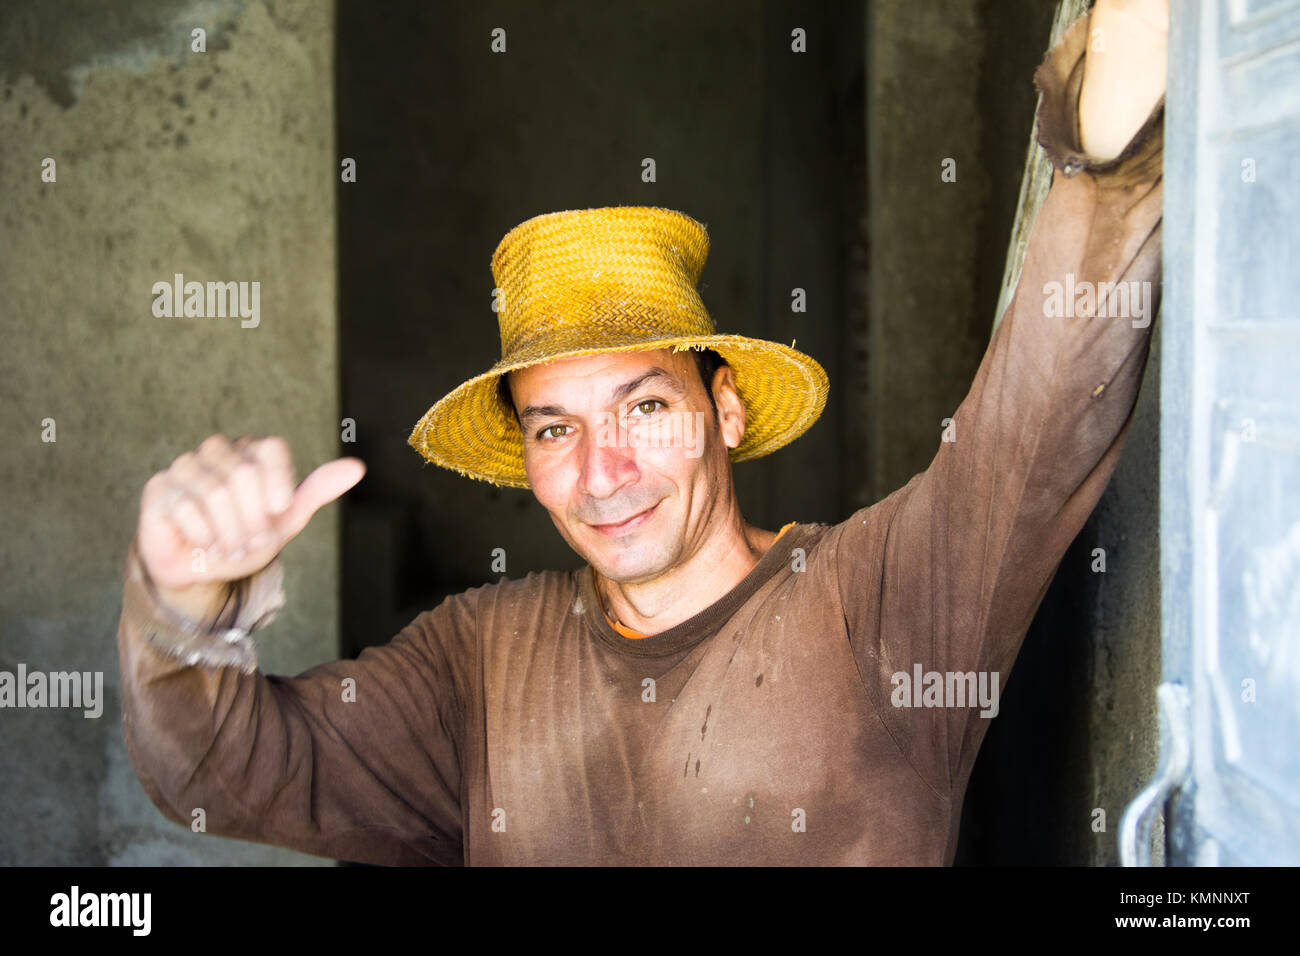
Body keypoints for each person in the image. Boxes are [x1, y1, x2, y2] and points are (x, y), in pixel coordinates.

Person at [117, 1, 1168, 865]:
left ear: (727, 410)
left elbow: (1040, 417)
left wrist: (1108, 153)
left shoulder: (881, 602)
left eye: (646, 407)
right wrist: (180, 601)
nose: (602, 470)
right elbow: (216, 772)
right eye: (554, 427)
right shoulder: (474, 666)